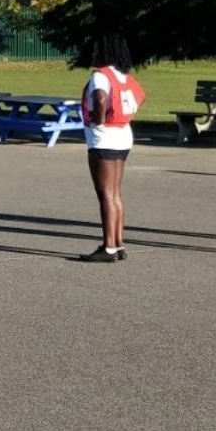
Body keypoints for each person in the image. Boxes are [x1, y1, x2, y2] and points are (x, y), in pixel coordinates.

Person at [79, 34, 145, 262]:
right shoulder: (123, 74)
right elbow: (139, 96)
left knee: (105, 193)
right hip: (123, 134)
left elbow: (100, 98)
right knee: (115, 192)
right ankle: (118, 243)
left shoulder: (100, 75)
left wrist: (98, 121)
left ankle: (108, 248)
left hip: (104, 137)